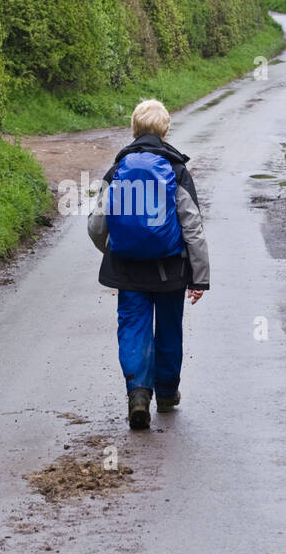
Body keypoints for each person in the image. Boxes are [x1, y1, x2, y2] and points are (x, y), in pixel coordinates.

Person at [87, 99, 209, 430]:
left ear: (134, 129)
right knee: (168, 330)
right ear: (165, 130)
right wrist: (199, 277)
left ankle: (138, 395)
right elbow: (192, 228)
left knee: (133, 328)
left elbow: (97, 224)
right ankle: (167, 395)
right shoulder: (176, 170)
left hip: (128, 268)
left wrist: (112, 250)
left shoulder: (117, 170)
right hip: (170, 268)